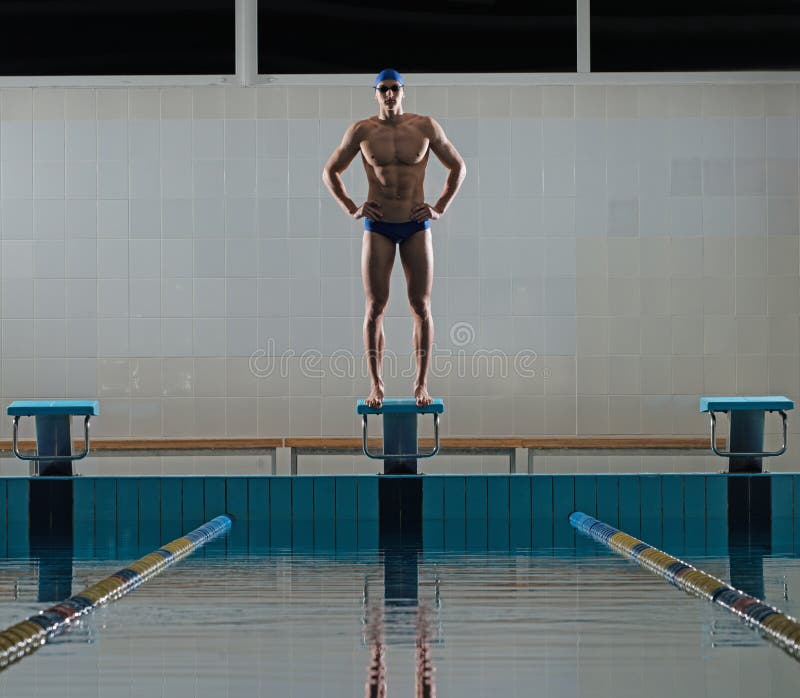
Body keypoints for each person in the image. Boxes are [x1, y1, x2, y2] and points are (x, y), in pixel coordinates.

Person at [322, 68, 466, 409]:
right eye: (383, 89)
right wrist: (351, 208)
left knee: (421, 305)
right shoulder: (362, 131)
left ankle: (421, 383)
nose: (390, 94)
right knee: (375, 307)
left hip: (416, 226)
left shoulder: (425, 127)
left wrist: (440, 207)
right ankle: (377, 384)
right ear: (375, 93)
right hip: (380, 226)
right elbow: (330, 171)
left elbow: (458, 167)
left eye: (395, 88)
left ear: (403, 91)